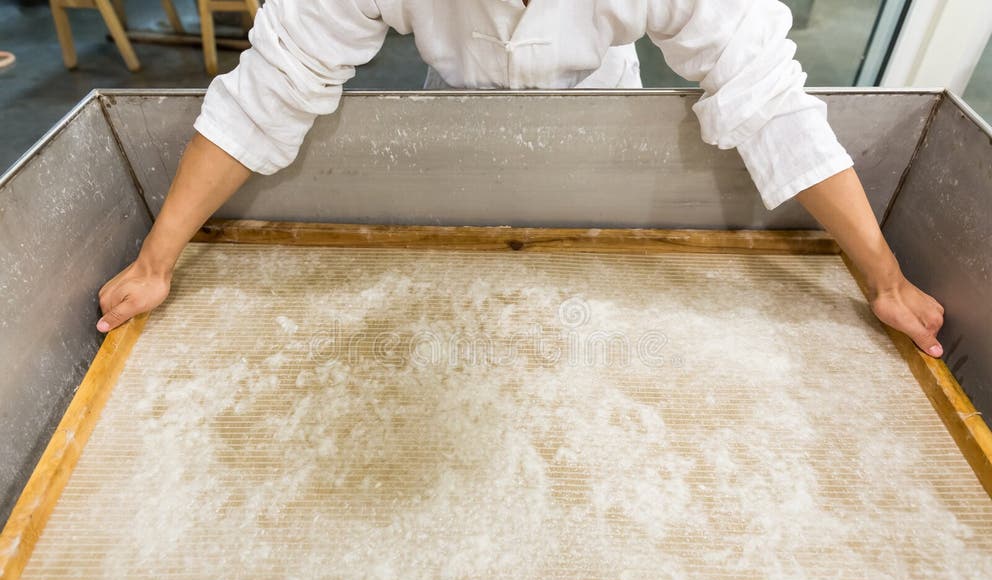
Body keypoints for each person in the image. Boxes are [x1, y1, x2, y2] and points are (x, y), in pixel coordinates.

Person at [96, 0, 945, 357]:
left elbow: (768, 101)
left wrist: (883, 275)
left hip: (607, 130)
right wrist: (158, 259)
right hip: (454, 132)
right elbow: (270, 90)